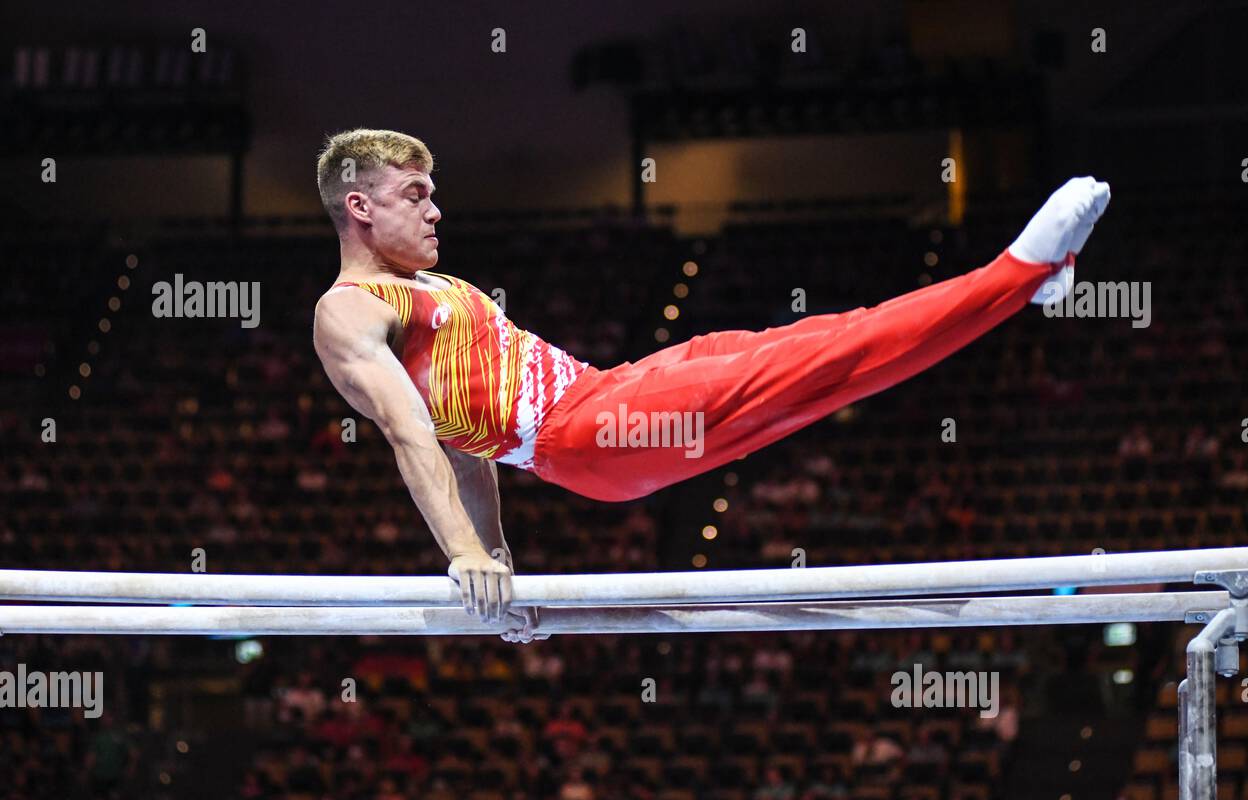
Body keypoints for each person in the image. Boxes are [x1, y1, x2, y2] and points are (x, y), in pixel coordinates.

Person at [313, 128, 1110, 643]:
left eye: (433, 191)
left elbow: (466, 452)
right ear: (358, 205)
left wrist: (497, 560)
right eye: (415, 195)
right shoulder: (348, 311)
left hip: (606, 392)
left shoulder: (438, 285)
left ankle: (1022, 288)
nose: (436, 210)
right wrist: (463, 556)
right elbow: (412, 434)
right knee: (819, 368)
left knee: (798, 339)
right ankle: (1015, 274)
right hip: (591, 438)